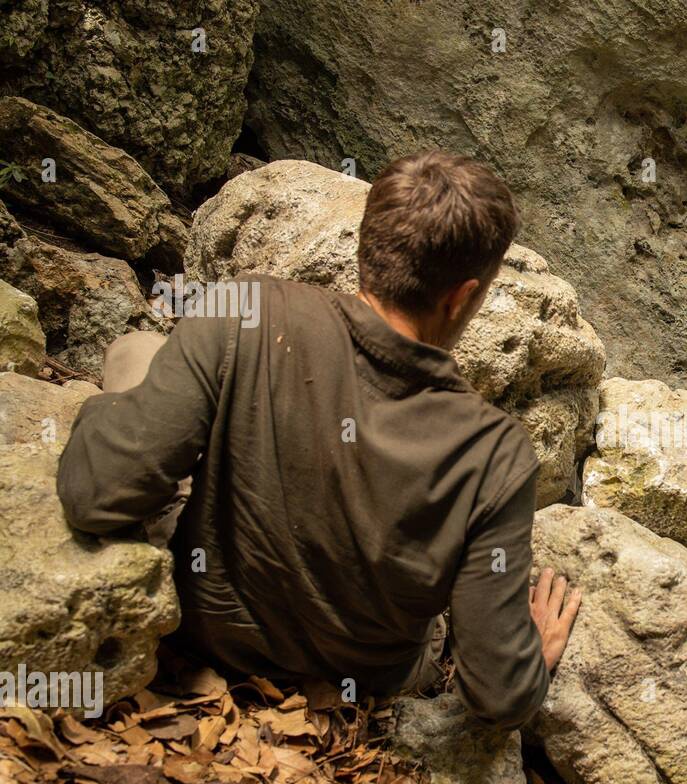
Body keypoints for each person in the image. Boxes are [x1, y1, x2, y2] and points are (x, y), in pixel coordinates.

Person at [57, 149, 581, 730]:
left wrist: (96, 415)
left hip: (206, 629)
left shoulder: (247, 309)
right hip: (368, 683)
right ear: (462, 296)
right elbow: (501, 694)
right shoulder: (496, 453)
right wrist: (528, 653)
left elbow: (97, 496)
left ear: (367, 246)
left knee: (133, 352)